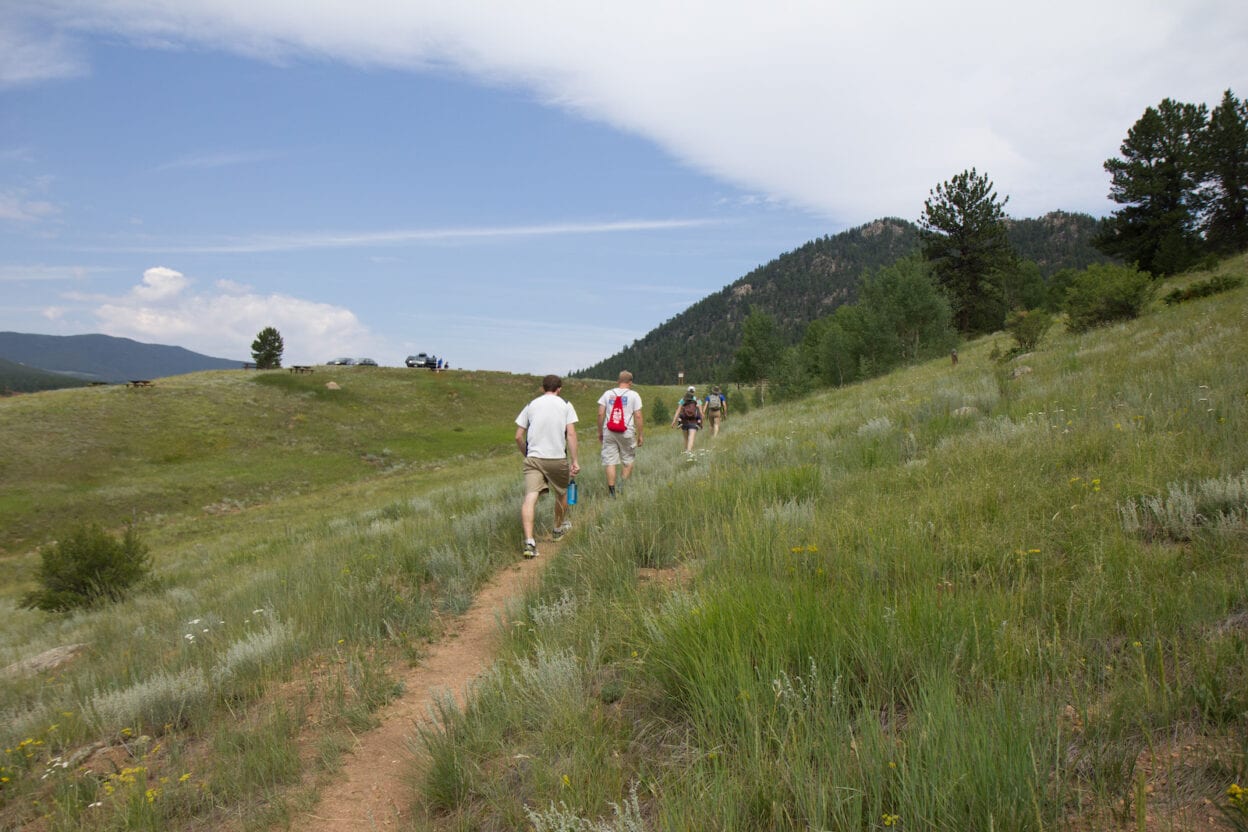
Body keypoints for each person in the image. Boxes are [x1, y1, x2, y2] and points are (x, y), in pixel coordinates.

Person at [514, 374, 580, 558]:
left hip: (534, 458)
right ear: (559, 389)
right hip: (556, 458)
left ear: (543, 388)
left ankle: (529, 542)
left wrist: (526, 453)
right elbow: (571, 434)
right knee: (563, 492)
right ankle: (557, 529)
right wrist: (575, 460)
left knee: (530, 498)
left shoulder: (531, 405)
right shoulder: (565, 404)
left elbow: (518, 436)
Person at [597, 370, 644, 496]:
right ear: (630, 382)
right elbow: (638, 416)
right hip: (627, 431)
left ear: (618, 381)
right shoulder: (634, 395)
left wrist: (600, 431)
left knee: (610, 461)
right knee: (628, 460)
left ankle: (612, 492)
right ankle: (621, 487)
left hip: (609, 430)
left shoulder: (607, 394)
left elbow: (600, 413)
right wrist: (640, 435)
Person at [671, 385, 703, 456]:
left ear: (687, 391)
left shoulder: (683, 399)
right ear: (694, 391)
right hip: (693, 421)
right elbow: (700, 412)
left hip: (684, 421)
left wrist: (674, 421)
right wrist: (701, 422)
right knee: (691, 438)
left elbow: (678, 411)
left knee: (686, 439)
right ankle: (689, 453)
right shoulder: (697, 399)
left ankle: (687, 453)